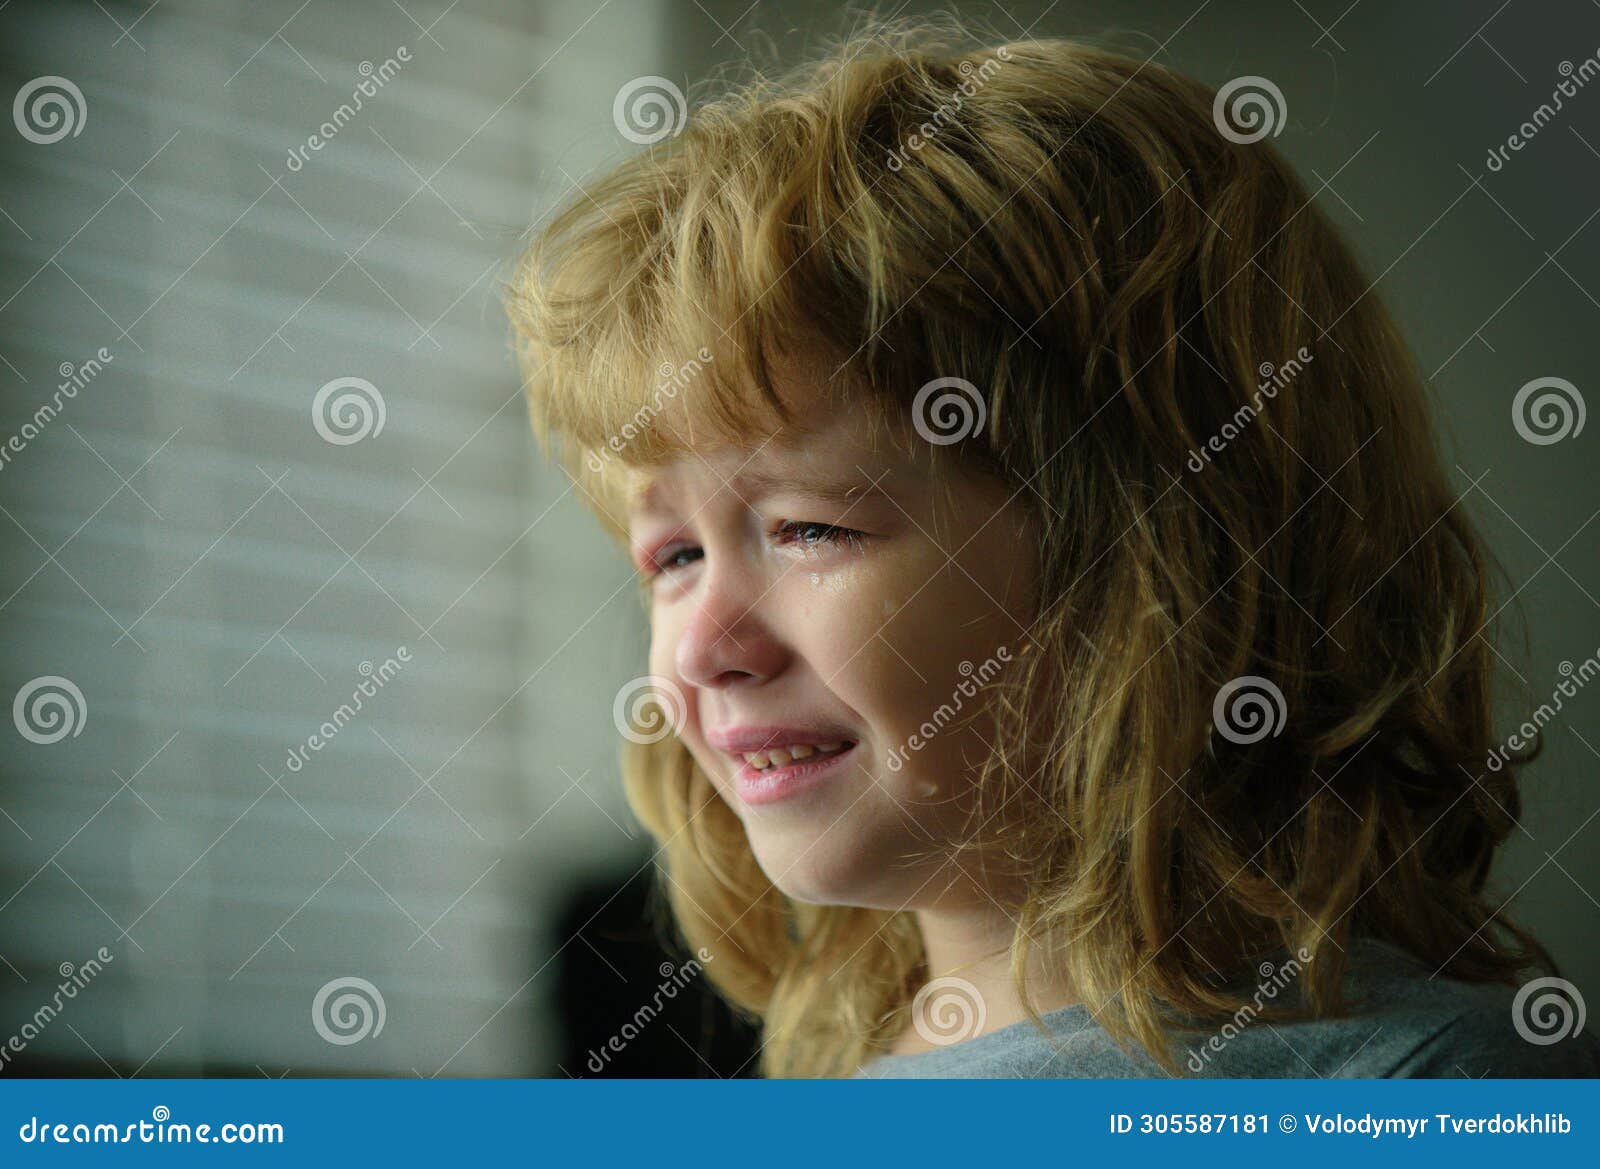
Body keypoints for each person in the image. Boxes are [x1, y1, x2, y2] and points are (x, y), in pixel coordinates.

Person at [504, 16, 1599, 1078]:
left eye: (807, 528)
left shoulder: (1427, 1086)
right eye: (672, 557)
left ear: (1169, 550)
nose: (702, 651)